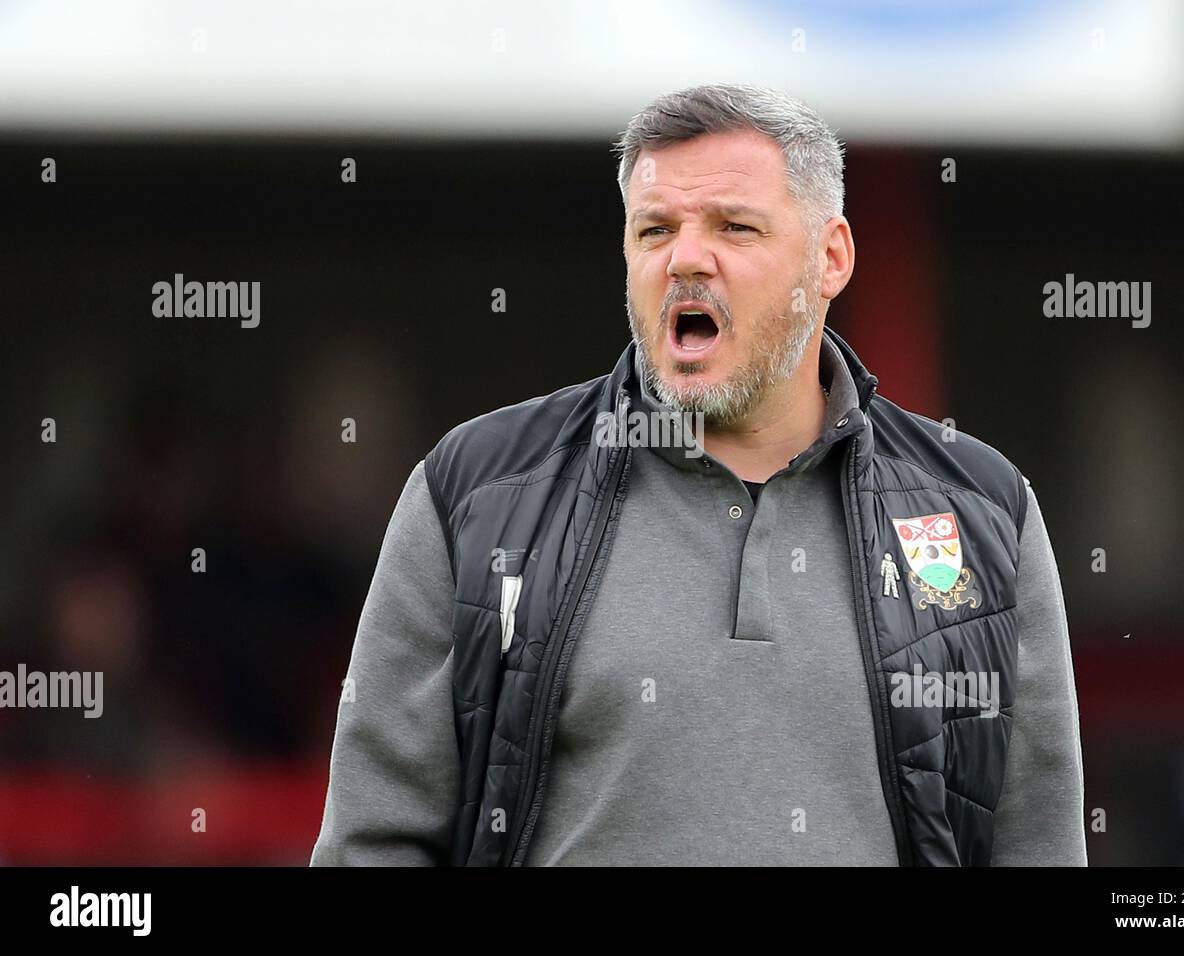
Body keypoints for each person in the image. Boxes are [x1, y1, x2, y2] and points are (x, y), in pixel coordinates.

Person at [310, 84, 1087, 866]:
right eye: (655, 230)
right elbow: (373, 841)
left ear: (830, 258)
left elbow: (1038, 845)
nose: (685, 258)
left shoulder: (984, 514)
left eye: (733, 226)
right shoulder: (476, 495)